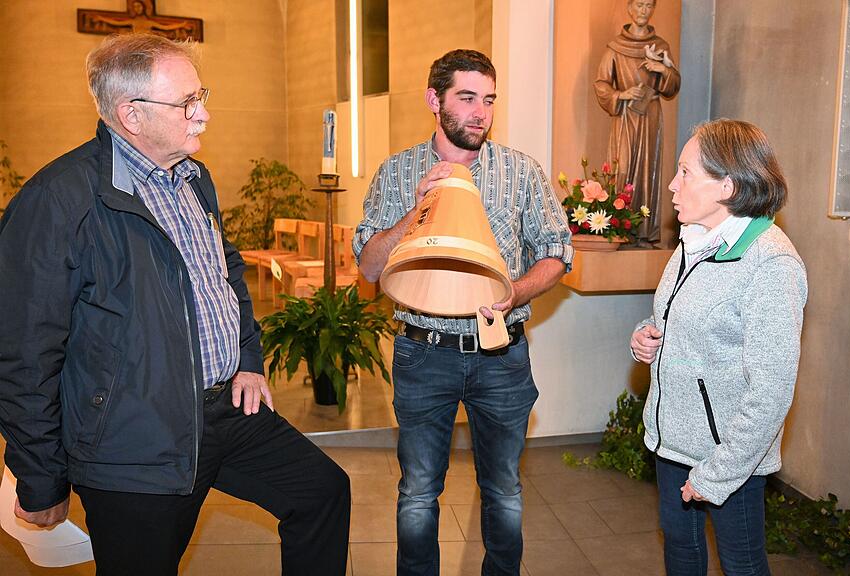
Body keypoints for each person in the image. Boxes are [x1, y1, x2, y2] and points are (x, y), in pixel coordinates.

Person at [0, 33, 349, 575]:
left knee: (323, 491)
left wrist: (249, 360)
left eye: (201, 94)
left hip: (225, 412)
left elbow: (224, 272)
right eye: (188, 102)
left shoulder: (191, 178)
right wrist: (40, 475)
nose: (204, 114)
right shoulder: (58, 200)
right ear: (131, 115)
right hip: (133, 438)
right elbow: (23, 353)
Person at [354, 49, 573, 576]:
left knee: (503, 490)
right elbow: (367, 267)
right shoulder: (398, 170)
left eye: (489, 100)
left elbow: (558, 252)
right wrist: (416, 210)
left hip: (500, 353)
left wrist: (516, 292)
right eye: (467, 98)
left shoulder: (521, 172)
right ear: (434, 100)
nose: (481, 112)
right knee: (418, 492)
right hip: (422, 353)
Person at [630, 119, 807, 575]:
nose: (672, 184)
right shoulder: (694, 240)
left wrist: (718, 473)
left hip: (729, 457)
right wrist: (647, 336)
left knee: (741, 565)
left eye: (685, 172)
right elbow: (681, 316)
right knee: (682, 555)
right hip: (673, 442)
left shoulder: (771, 263)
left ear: (726, 186)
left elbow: (771, 391)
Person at [594, 0, 680, 245]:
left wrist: (662, 70)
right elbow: (601, 83)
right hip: (624, 117)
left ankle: (644, 233)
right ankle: (619, 228)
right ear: (629, 8)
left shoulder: (660, 46)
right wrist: (621, 94)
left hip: (650, 116)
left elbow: (673, 84)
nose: (643, 11)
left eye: (648, 6)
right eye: (639, 5)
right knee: (623, 169)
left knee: (647, 170)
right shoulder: (615, 48)